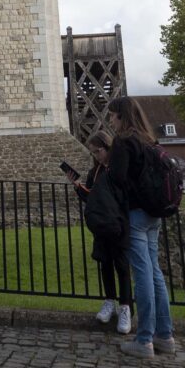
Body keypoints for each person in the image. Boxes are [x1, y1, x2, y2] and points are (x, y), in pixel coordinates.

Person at [105, 96, 176, 358]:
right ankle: (165, 336)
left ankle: (144, 339)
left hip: (135, 214)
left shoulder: (124, 141)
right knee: (155, 273)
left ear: (122, 116)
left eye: (113, 116)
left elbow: (118, 179)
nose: (111, 120)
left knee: (143, 274)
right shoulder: (148, 139)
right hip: (153, 214)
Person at [66, 129, 133, 334]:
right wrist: (77, 186)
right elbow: (91, 197)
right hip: (101, 225)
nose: (95, 156)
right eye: (93, 153)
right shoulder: (94, 173)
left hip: (119, 224)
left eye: (97, 151)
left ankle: (126, 308)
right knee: (105, 263)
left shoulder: (118, 169)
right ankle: (109, 302)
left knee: (121, 266)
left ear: (107, 148)